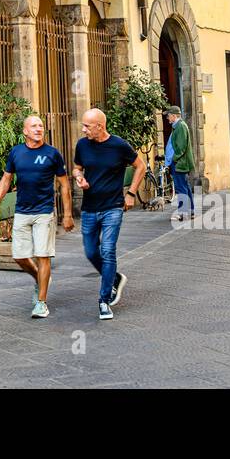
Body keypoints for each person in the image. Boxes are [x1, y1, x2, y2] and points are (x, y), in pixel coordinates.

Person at [0, 115, 73, 319]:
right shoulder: (16, 152)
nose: (38, 129)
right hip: (22, 211)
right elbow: (6, 179)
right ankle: (40, 279)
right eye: (34, 126)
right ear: (25, 131)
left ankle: (41, 302)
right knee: (19, 256)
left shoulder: (52, 154)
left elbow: (64, 184)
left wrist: (68, 214)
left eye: (41, 126)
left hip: (44, 212)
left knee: (43, 255)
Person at [72, 108, 147, 321]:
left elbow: (140, 166)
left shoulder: (119, 145)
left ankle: (104, 300)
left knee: (107, 251)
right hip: (89, 208)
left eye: (87, 126)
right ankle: (114, 278)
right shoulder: (82, 145)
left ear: (100, 126)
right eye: (83, 125)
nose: (83, 129)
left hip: (113, 207)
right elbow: (77, 168)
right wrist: (79, 178)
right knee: (90, 252)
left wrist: (131, 193)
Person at [163, 105, 194, 218]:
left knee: (181, 188)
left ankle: (182, 213)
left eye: (169, 116)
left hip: (180, 163)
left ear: (174, 116)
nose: (167, 118)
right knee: (185, 187)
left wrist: (173, 160)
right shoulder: (177, 126)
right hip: (181, 162)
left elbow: (180, 148)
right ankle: (190, 211)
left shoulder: (180, 126)